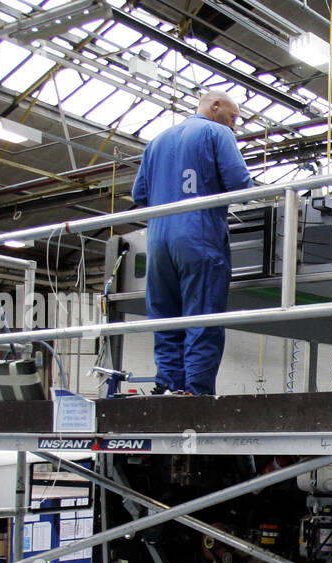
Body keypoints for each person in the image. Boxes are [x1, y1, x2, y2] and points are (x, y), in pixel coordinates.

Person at [132, 90, 252, 395]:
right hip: (199, 236)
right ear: (215, 107)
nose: (234, 125)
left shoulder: (156, 142)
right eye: (234, 116)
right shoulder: (217, 132)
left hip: (158, 240)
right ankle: (196, 394)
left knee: (164, 316)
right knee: (202, 316)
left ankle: (169, 386)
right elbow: (240, 184)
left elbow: (139, 196)